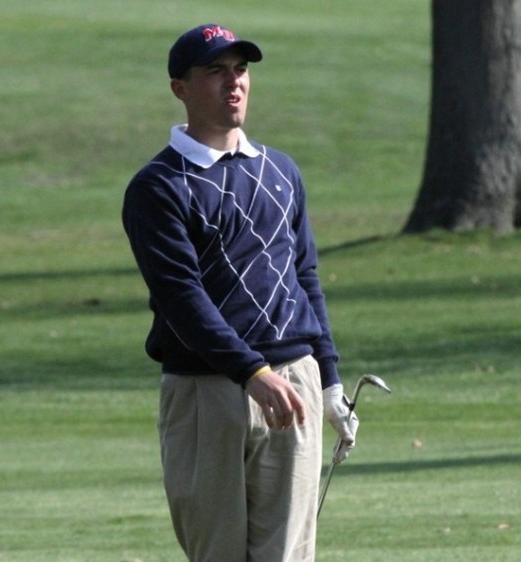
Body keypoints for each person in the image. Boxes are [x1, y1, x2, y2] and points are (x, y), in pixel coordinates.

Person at [122, 23, 357, 562]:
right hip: (208, 390)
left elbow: (305, 277)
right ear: (180, 87)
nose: (234, 83)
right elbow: (181, 296)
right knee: (218, 553)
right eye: (215, 72)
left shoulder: (281, 171)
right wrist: (252, 373)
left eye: (241, 70)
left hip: (295, 379)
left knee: (287, 556)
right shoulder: (159, 186)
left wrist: (329, 382)